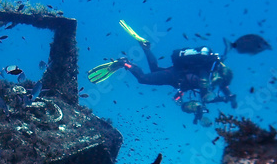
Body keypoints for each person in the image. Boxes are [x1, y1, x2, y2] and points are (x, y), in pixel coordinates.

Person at [87, 20, 238, 111]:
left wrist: (229, 96)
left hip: (174, 75)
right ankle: (124, 63)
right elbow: (206, 97)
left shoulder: (210, 70)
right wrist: (225, 99)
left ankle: (144, 47)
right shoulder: (207, 76)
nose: (222, 86)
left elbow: (218, 86)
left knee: (154, 69)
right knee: (144, 79)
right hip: (173, 76)